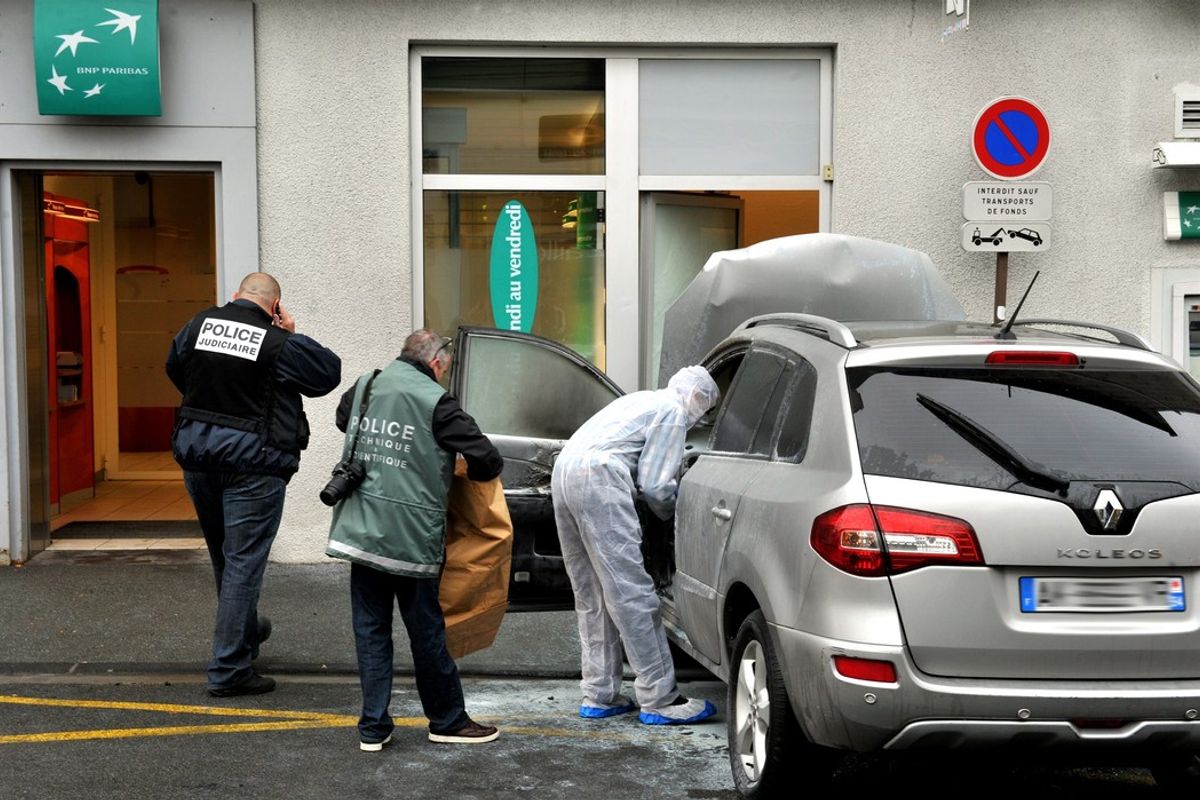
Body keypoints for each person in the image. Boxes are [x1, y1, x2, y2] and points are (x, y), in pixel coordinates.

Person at [327, 329, 504, 752]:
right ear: (437, 362)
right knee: (425, 629)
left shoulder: (367, 384)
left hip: (362, 529)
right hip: (412, 537)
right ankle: (446, 719)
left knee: (371, 630)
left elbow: (342, 419)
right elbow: (487, 458)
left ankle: (373, 727)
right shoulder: (435, 402)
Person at [166, 272, 341, 697]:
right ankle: (228, 669)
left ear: (235, 297)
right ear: (275, 307)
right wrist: (292, 333)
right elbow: (327, 374)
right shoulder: (276, 341)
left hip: (200, 459)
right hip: (254, 464)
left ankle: (244, 634)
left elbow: (176, 368)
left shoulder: (198, 326)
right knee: (243, 562)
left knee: (227, 560)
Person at [552, 365, 721, 725]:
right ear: (698, 399)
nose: (699, 419)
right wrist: (677, 515)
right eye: (704, 412)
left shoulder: (643, 399)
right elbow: (657, 485)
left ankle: (599, 694)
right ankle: (661, 699)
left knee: (591, 594)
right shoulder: (673, 412)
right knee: (632, 594)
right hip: (598, 478)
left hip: (564, 472)